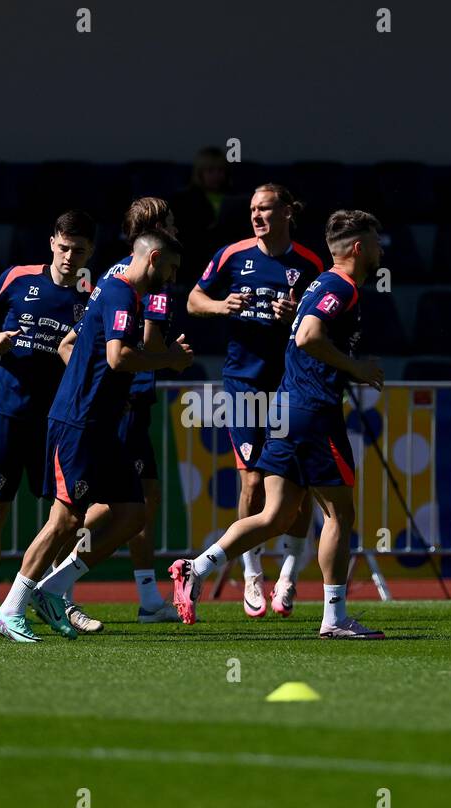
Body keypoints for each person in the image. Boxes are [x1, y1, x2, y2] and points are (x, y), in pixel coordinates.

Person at [170, 210, 386, 639]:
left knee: (274, 516)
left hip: (286, 410)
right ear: (359, 248)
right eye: (376, 243)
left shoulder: (317, 284)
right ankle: (335, 617)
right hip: (313, 412)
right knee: (340, 512)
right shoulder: (339, 285)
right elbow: (307, 335)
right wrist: (355, 369)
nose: (380, 251)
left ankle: (196, 568)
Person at [0, 230, 193, 643]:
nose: (171, 278)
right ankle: (8, 610)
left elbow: (73, 344)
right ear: (153, 258)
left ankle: (53, 588)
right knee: (65, 519)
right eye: (170, 268)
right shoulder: (120, 293)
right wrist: (168, 359)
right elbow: (118, 357)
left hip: (100, 423)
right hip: (79, 422)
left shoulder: (112, 289)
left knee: (133, 513)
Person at [186, 184, 322, 618]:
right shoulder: (232, 255)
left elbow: (325, 320)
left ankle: (288, 576)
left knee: (297, 487)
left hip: (292, 385)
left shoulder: (309, 263)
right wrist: (222, 306)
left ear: (287, 211)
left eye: (265, 209)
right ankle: (251, 573)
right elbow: (193, 300)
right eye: (252, 210)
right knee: (251, 482)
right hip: (244, 384)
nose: (257, 217)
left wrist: (298, 313)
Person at [0, 210, 94, 635]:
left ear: (89, 252)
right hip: (7, 412)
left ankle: (56, 598)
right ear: (51, 242)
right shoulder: (14, 279)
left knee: (69, 516)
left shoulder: (92, 295)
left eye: (78, 250)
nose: (68, 257)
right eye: (63, 247)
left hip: (58, 421)